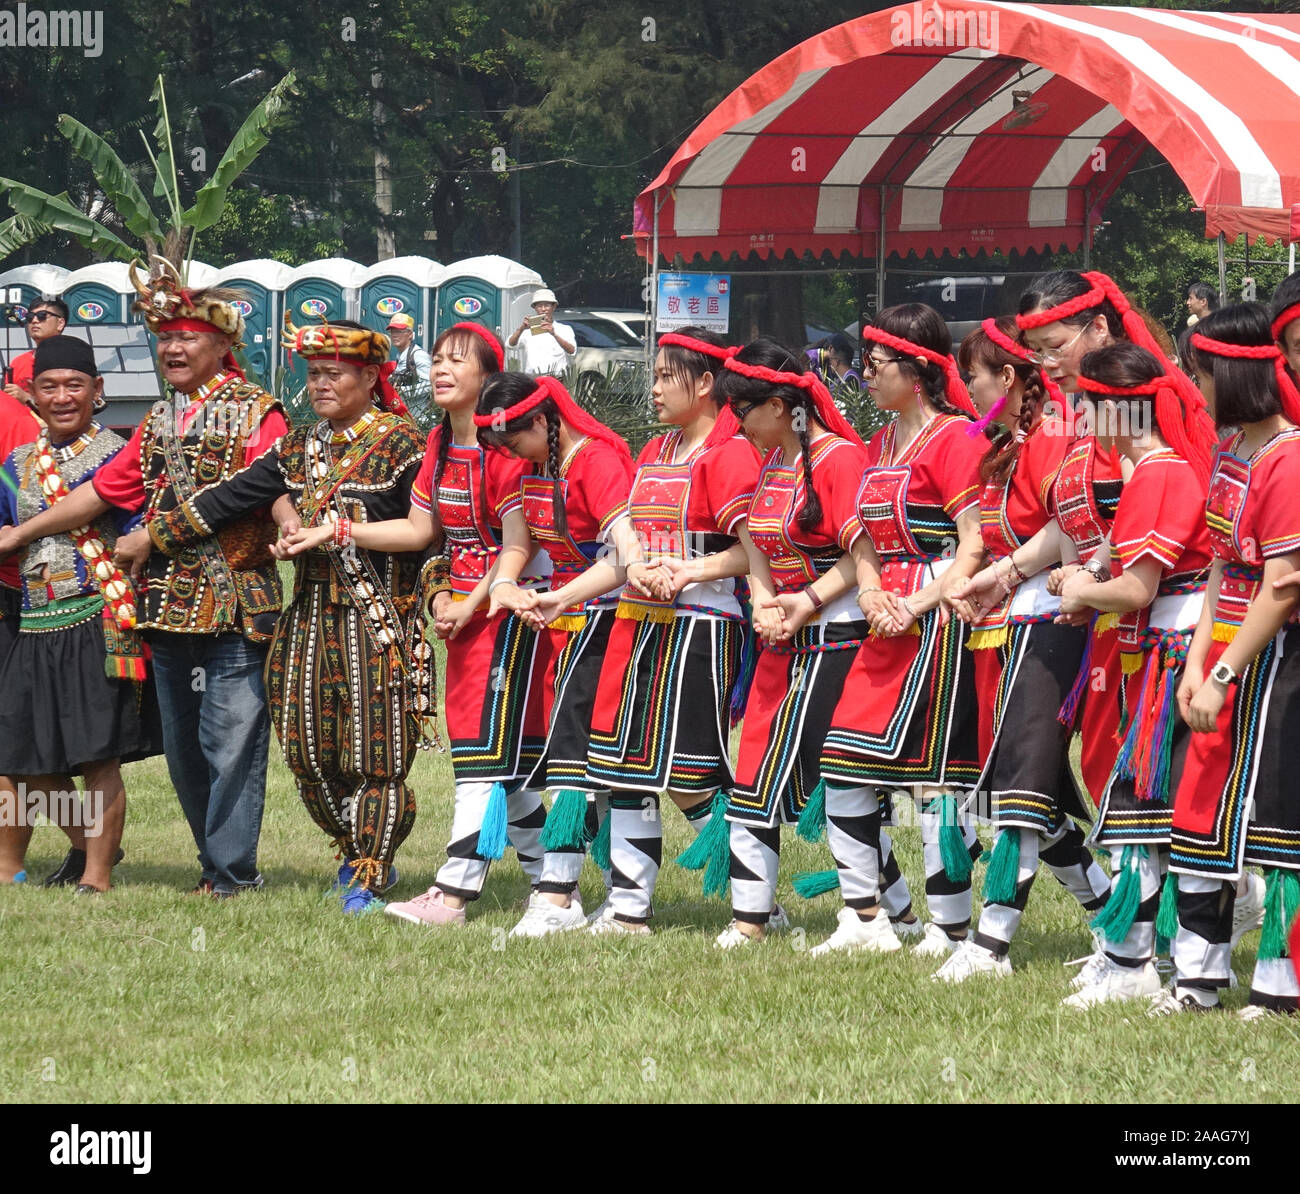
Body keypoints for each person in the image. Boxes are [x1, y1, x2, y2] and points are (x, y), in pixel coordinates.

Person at [0, 264, 288, 898]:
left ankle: (231, 873)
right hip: (165, 607)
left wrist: (156, 535)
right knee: (186, 751)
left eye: (189, 337)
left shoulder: (257, 412)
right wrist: (20, 535)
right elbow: (103, 494)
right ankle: (212, 866)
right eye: (166, 338)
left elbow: (269, 485)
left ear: (222, 346)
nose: (174, 348)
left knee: (232, 741)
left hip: (236, 603)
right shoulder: (159, 419)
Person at [155, 316, 427, 913]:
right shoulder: (297, 447)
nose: (321, 384)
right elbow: (227, 498)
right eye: (314, 374)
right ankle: (350, 842)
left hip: (374, 619)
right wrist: (154, 538)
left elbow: (423, 532)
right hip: (306, 618)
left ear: (371, 377)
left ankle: (370, 867)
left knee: (371, 754)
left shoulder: (403, 444)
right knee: (307, 752)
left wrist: (336, 531)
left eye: (335, 374)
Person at [538, 328, 759, 934]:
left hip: (703, 627)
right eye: (655, 375)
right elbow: (623, 554)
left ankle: (757, 904)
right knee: (623, 766)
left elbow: (757, 550)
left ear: (706, 383)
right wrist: (563, 597)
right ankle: (630, 910)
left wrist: (688, 570)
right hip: (639, 624)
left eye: (666, 375)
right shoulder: (655, 452)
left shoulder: (731, 452)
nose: (654, 387)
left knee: (691, 779)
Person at [938, 296, 1113, 984]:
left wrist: (1006, 573)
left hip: (1058, 620)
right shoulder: (1015, 443)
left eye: (975, 377)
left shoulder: (1060, 434)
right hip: (1017, 623)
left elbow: (1073, 529)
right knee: (1028, 789)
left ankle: (991, 944)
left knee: (1021, 789)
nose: (969, 390)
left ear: (1004, 380)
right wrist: (987, 579)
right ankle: (1116, 919)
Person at [807, 306, 987, 958]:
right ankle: (866, 919)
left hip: (939, 620)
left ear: (915, 372)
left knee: (938, 781)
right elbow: (864, 543)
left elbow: (976, 542)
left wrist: (917, 603)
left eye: (877, 367)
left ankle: (950, 925)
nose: (864, 378)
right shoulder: (879, 445)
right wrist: (875, 589)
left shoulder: (958, 439)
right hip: (885, 618)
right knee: (844, 764)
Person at [361, 323, 552, 927]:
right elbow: (421, 532)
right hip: (468, 619)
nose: (441, 370)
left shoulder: (507, 452)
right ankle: (553, 887)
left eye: (457, 362)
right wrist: (339, 532)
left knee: (482, 759)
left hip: (513, 613)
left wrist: (469, 602)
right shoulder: (440, 446)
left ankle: (451, 895)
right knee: (511, 769)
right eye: (437, 360)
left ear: (490, 376)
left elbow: (518, 547)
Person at [1054, 342, 1216, 1008]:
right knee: (1146, 813)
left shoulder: (1158, 473)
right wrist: (1084, 579)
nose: (1082, 421)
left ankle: (1135, 965)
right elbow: (1118, 567)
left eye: (1088, 407)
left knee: (1145, 814)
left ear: (1118, 407)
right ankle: (1150, 960)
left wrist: (1081, 591)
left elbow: (1137, 588)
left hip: (1169, 651)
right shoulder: (1159, 470)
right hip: (1159, 652)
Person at [1152, 303, 1300, 1018]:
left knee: (1277, 821)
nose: (1191, 383)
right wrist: (1196, 664)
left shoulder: (1290, 457)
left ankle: (1281, 984)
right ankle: (1198, 978)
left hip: (1280, 660)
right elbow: (1219, 567)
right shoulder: (1234, 452)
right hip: (1229, 655)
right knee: (1199, 811)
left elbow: (1284, 584)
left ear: (1235, 374)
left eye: (1199, 370)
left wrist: (1223, 671)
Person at [707, 338, 869, 947]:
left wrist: (801, 604)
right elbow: (758, 550)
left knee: (838, 781)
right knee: (755, 777)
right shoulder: (774, 461)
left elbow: (861, 559)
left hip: (836, 635)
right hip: (784, 636)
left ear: (779, 405)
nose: (736, 422)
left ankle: (877, 914)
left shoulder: (839, 459)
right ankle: (749, 919)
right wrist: (764, 600)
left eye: (743, 410)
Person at [474, 373, 637, 936]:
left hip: (611, 617)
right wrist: (503, 586)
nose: (506, 455)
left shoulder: (597, 461)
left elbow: (622, 555)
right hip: (563, 619)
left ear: (543, 422)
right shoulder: (529, 468)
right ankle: (617, 894)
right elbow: (518, 544)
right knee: (587, 760)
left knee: (579, 756)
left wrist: (558, 596)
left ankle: (559, 896)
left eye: (512, 441)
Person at [0, 336, 160, 890]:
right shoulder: (16, 464)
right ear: (31, 394)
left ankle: (95, 876)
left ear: (98, 391)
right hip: (35, 618)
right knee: (23, 756)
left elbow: (141, 524)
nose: (63, 397)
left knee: (98, 755)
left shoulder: (121, 453)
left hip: (98, 613)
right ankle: (87, 845)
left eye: (75, 385)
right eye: (50, 387)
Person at [3, 297, 68, 402]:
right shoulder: (17, 362)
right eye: (29, 317)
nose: (34, 320)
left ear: (60, 323)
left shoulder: (73, 360)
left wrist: (28, 399)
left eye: (42, 316)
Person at [507, 288, 576, 376]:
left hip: (556, 378)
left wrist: (554, 334)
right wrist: (521, 329)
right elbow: (510, 345)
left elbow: (572, 351)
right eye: (539, 306)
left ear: (554, 307)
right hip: (533, 378)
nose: (543, 309)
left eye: (547, 305)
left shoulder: (565, 329)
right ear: (535, 308)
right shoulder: (528, 331)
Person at [387, 313, 431, 393]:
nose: (394, 335)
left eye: (399, 331)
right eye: (392, 331)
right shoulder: (400, 356)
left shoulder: (418, 356)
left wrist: (401, 391)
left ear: (410, 334)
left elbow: (430, 385)